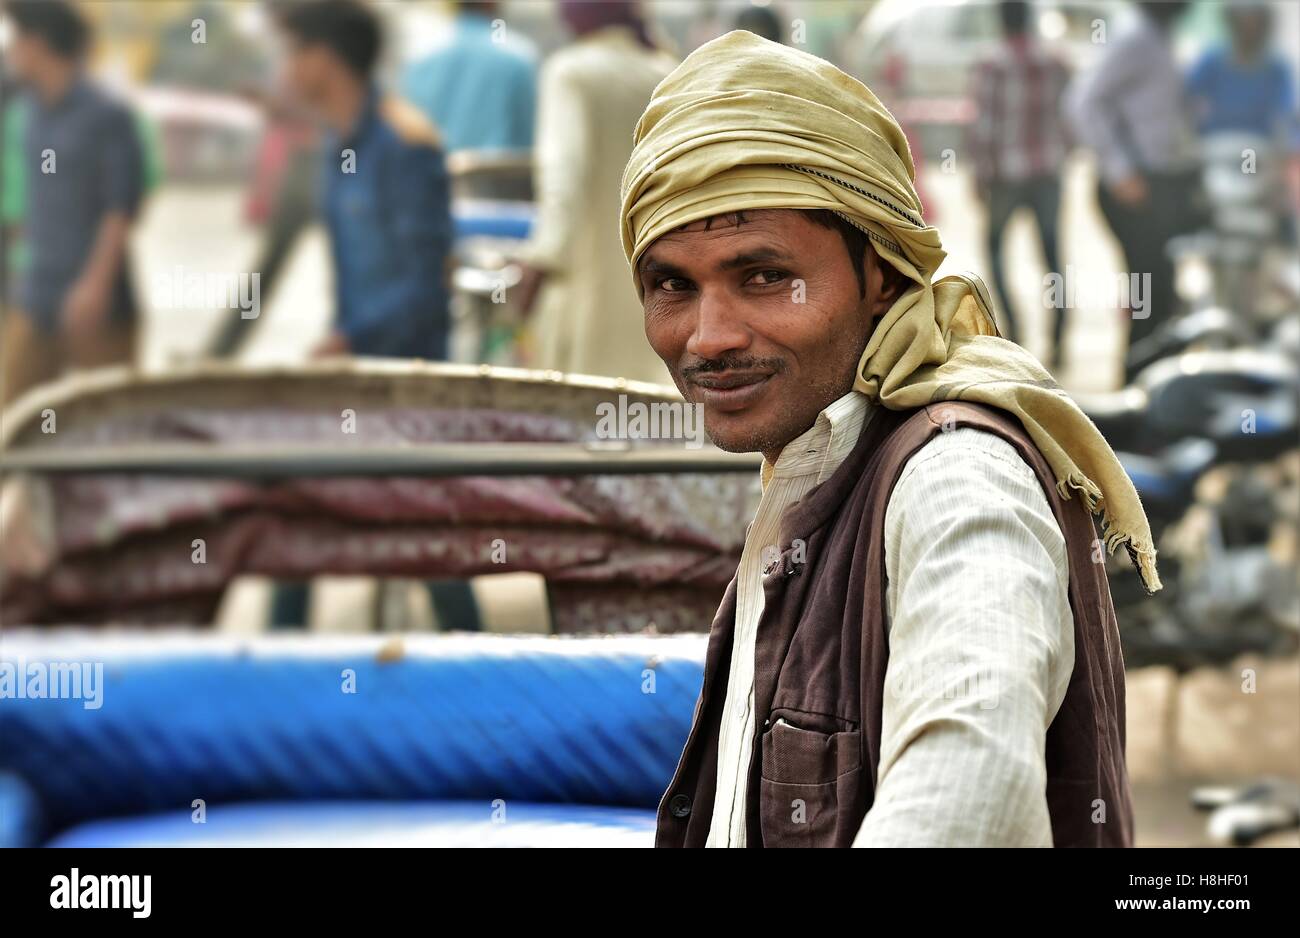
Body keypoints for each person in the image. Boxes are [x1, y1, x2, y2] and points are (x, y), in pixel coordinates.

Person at [620, 30, 1161, 847]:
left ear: (881, 274)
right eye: (672, 285)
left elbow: (967, 782)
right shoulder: (815, 460)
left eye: (764, 276)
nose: (709, 336)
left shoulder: (959, 480)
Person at [273, 0, 476, 630]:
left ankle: (479, 669)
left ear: (324, 59)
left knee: (426, 538)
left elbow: (424, 285)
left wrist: (347, 338)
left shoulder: (404, 144)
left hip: (409, 383)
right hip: (356, 377)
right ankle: (284, 670)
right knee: (297, 513)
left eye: (294, 50)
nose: (286, 67)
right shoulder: (336, 144)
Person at [514, 1, 675, 386]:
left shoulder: (570, 71)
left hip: (587, 295)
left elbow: (563, 183)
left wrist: (538, 263)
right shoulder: (665, 71)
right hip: (658, 297)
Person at [1, 0, 145, 408]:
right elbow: (24, 201)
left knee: (111, 424)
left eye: (16, 41)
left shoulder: (107, 115)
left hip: (98, 304)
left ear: (38, 44)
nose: (10, 53)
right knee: (16, 422)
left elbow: (120, 206)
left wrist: (95, 285)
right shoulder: (27, 113)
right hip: (34, 295)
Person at [1068, 1, 1201, 385]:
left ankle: (1159, 384)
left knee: (1161, 289)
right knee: (1149, 290)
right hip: (1134, 187)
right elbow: (1083, 102)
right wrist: (1120, 169)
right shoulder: (1136, 38)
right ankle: (1137, 384)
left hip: (1161, 184)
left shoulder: (1161, 38)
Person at [967, 0, 1071, 368]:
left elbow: (984, 125)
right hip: (1047, 171)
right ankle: (1060, 336)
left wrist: (978, 174)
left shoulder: (992, 63)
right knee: (1052, 255)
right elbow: (1068, 115)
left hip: (1006, 174)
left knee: (996, 251)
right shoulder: (1054, 61)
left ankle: (1015, 331)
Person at [400, 0, 537, 155]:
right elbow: (528, 138)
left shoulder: (421, 59)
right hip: (500, 175)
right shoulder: (517, 57)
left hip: (436, 174)